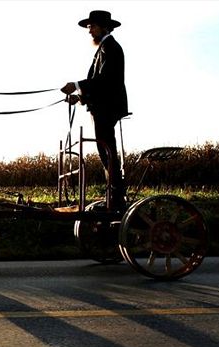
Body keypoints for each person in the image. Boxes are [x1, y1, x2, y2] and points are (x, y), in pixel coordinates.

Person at [61, 10, 129, 211]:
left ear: (103, 27)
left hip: (107, 107)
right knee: (104, 149)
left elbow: (105, 81)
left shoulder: (110, 48)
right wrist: (80, 97)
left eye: (92, 27)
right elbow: (99, 84)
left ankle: (116, 196)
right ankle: (114, 193)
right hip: (103, 105)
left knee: (107, 149)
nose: (89, 31)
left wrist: (75, 85)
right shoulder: (104, 48)